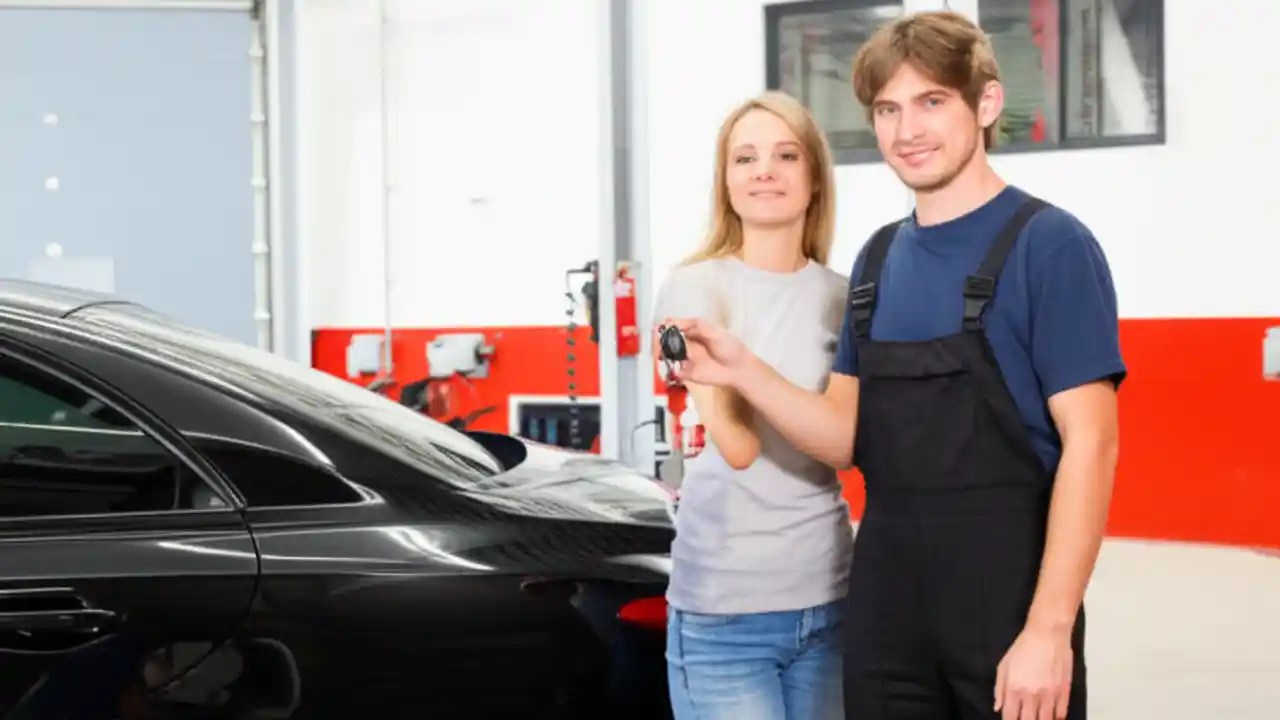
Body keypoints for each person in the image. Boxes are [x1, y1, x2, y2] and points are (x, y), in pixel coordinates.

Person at [660, 11, 1124, 720]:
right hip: (884, 617)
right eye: (888, 109)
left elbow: (1092, 445)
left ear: (986, 104)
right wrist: (740, 370)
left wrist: (1049, 629)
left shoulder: (1050, 245)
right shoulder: (875, 264)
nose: (908, 129)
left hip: (1004, 603)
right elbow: (842, 437)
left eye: (932, 101)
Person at [653, 90, 853, 719]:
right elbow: (738, 447)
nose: (764, 170)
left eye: (785, 154)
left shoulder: (844, 296)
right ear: (726, 183)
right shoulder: (695, 285)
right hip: (724, 611)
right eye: (745, 159)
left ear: (814, 178)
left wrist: (739, 366)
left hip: (827, 596)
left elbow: (847, 445)